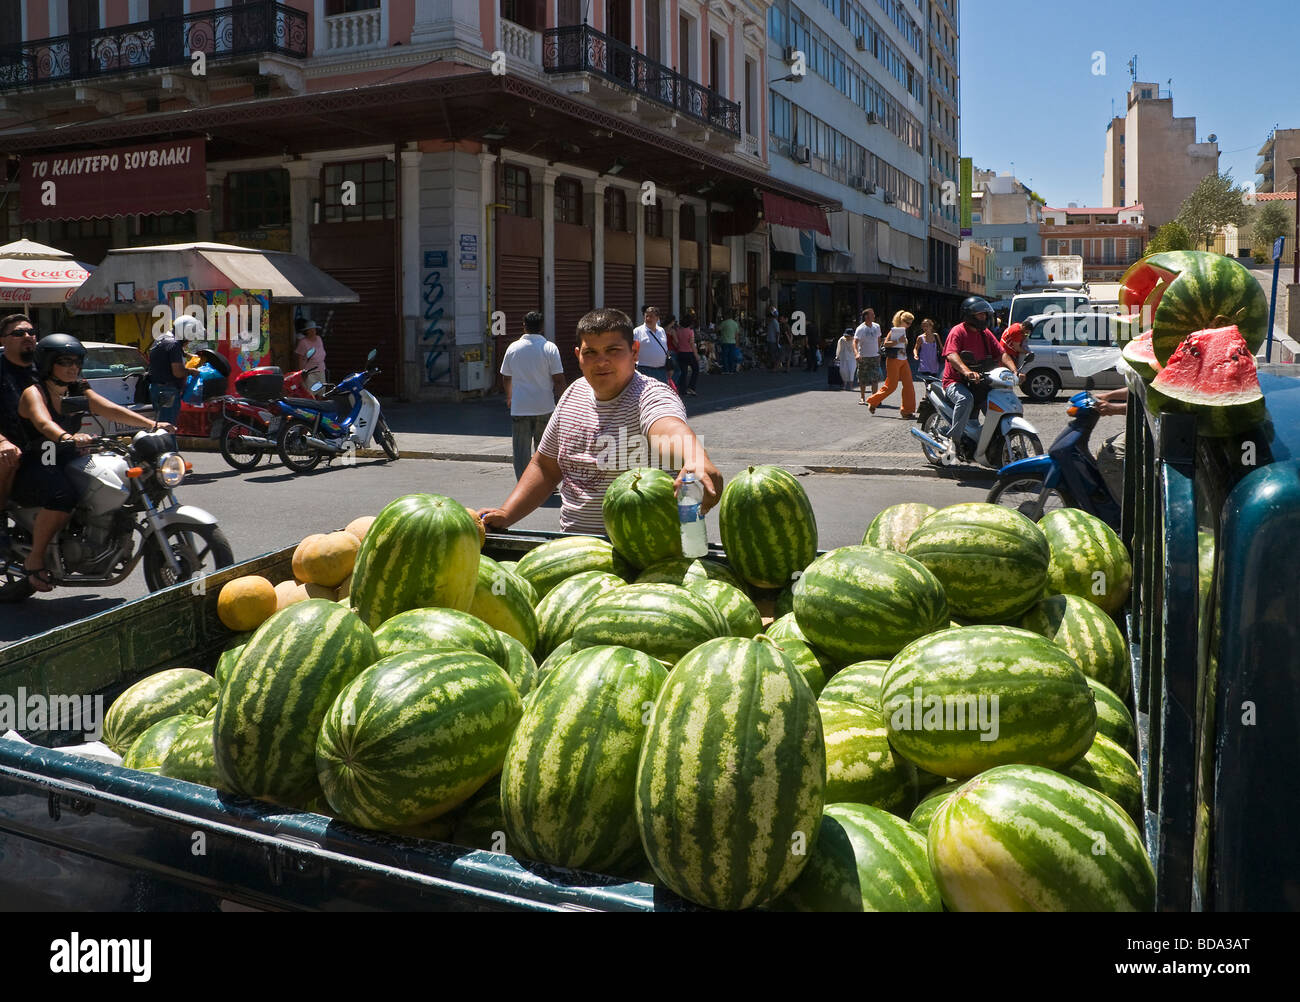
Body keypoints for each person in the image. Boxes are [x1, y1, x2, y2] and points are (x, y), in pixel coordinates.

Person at [479, 308, 722, 535]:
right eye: (591, 352)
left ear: (634, 351)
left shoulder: (651, 395)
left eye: (613, 350)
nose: (601, 361)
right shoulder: (573, 395)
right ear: (578, 355)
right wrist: (506, 514)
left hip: (649, 557)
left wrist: (696, 459)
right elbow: (545, 466)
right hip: (578, 554)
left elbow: (668, 427)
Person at [3, 334, 175, 599]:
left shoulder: (76, 389)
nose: (73, 367)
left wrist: (149, 424)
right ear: (49, 363)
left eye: (76, 361)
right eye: (65, 361)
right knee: (63, 496)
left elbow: (108, 408)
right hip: (39, 460)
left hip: (68, 456)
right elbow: (43, 422)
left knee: (111, 482)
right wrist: (67, 437)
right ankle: (35, 560)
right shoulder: (33, 392)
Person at [941, 297, 1021, 459]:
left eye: (985, 315)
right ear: (969, 315)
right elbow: (951, 354)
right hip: (956, 381)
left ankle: (991, 441)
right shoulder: (958, 331)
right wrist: (966, 371)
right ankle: (954, 439)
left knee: (996, 402)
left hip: (980, 381)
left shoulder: (985, 334)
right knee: (965, 399)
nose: (984, 318)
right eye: (980, 315)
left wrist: (1014, 371)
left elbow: (1002, 353)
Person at [499, 310, 566, 481]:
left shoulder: (513, 348)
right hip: (544, 406)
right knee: (544, 449)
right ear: (542, 327)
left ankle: (523, 484)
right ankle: (543, 484)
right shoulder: (550, 348)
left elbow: (506, 377)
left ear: (524, 326)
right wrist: (563, 402)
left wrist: (509, 397)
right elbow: (558, 379)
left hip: (520, 407)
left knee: (520, 450)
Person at [0, 315, 37, 519]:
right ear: (2, 340)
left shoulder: (46, 368)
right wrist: (3, 442)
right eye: (18, 333)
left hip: (41, 444)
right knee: (7, 460)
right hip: (8, 445)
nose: (27, 336)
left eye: (31, 332)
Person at [867, 310, 917, 418]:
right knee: (891, 386)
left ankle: (907, 411)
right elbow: (885, 344)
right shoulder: (894, 331)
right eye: (908, 323)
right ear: (901, 320)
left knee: (909, 385)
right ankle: (873, 401)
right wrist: (899, 340)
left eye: (911, 323)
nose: (909, 325)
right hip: (893, 360)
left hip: (903, 360)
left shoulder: (903, 330)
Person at [149, 315, 193, 424]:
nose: (190, 339)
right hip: (168, 391)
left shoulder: (162, 338)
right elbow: (178, 372)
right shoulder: (174, 344)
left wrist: (187, 355)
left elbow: (166, 354)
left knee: (160, 425)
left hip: (157, 387)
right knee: (167, 427)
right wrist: (191, 371)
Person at [632, 306, 672, 383]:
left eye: (651, 316)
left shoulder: (661, 330)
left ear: (657, 318)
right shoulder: (637, 331)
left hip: (661, 371)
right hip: (644, 370)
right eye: (646, 316)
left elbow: (665, 349)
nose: (648, 319)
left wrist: (669, 367)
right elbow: (633, 352)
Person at [853, 308, 882, 403]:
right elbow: (855, 342)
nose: (874, 316)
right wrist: (856, 354)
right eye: (872, 314)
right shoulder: (860, 328)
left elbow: (878, 339)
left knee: (875, 377)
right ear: (866, 316)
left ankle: (874, 397)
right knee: (862, 377)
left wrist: (879, 351)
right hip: (863, 356)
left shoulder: (877, 326)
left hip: (875, 356)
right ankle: (862, 397)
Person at [673, 311, 700, 396]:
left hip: (680, 352)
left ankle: (682, 390)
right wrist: (696, 355)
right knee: (695, 369)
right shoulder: (690, 331)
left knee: (683, 372)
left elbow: (675, 341)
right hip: (689, 353)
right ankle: (691, 387)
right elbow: (692, 343)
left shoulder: (678, 330)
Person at [294, 317, 327, 385]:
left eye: (314, 329)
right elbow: (300, 359)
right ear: (306, 331)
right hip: (309, 373)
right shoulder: (303, 342)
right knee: (310, 393)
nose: (312, 331)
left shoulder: (319, 339)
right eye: (310, 330)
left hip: (321, 370)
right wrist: (301, 373)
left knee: (321, 392)